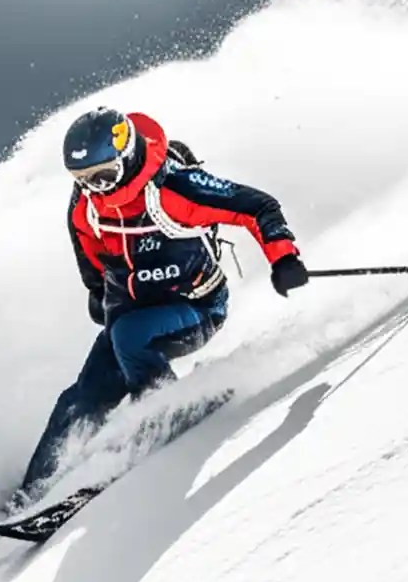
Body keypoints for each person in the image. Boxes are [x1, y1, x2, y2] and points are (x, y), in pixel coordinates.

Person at [17, 107, 308, 499]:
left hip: (196, 306)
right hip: (131, 312)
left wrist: (283, 258)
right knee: (81, 397)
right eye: (83, 180)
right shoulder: (86, 205)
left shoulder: (172, 189)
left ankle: (168, 410)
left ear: (127, 156)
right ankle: (31, 495)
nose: (96, 187)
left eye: (105, 176)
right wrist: (96, 291)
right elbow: (86, 249)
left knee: (129, 335)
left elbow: (257, 207)